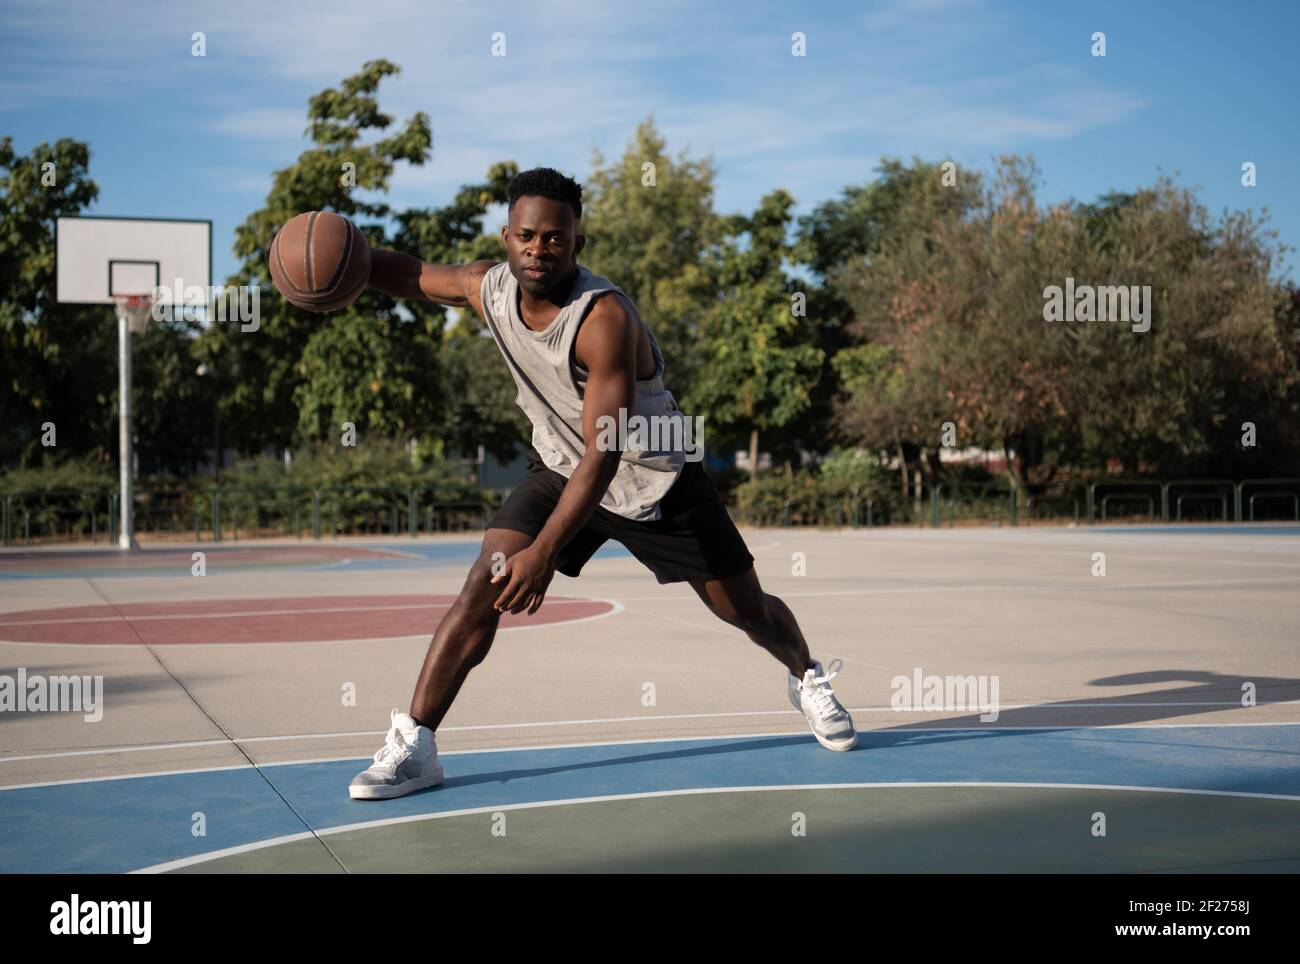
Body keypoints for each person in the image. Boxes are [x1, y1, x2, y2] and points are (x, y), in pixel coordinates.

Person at [351, 168, 855, 800]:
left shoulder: (603, 318)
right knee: (487, 577)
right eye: (527, 236)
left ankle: (805, 674)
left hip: (654, 477)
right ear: (507, 238)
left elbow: (606, 450)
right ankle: (417, 745)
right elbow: (414, 274)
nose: (539, 249)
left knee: (745, 610)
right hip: (561, 466)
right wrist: (349, 263)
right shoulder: (488, 288)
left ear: (576, 244)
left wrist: (545, 552)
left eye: (555, 238)